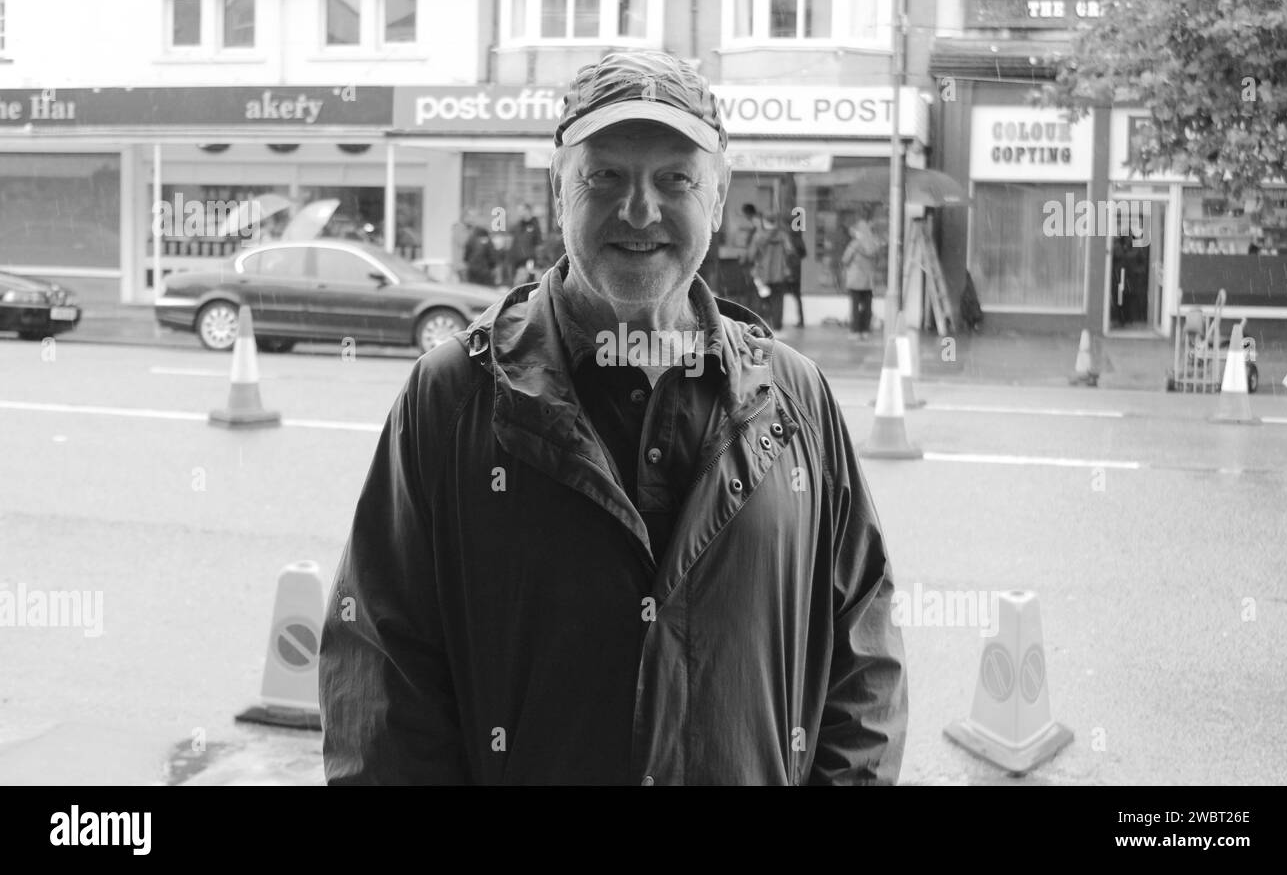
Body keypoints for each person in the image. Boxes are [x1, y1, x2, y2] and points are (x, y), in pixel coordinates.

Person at [318, 49, 907, 785]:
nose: (640, 211)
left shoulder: (796, 400)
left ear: (717, 201)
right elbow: (380, 683)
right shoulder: (452, 399)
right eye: (606, 176)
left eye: (675, 180)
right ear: (560, 192)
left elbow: (865, 658)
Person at [747, 213, 795, 332]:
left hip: (762, 274)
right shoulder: (783, 236)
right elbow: (790, 252)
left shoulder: (758, 236)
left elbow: (751, 256)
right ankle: (777, 327)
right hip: (779, 274)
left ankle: (759, 328)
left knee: (759, 301)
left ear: (764, 221)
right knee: (777, 302)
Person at [842, 216, 878, 340]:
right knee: (867, 307)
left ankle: (855, 331)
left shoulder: (854, 244)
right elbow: (876, 261)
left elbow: (845, 259)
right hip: (868, 281)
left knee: (855, 307)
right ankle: (865, 330)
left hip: (855, 280)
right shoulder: (873, 244)